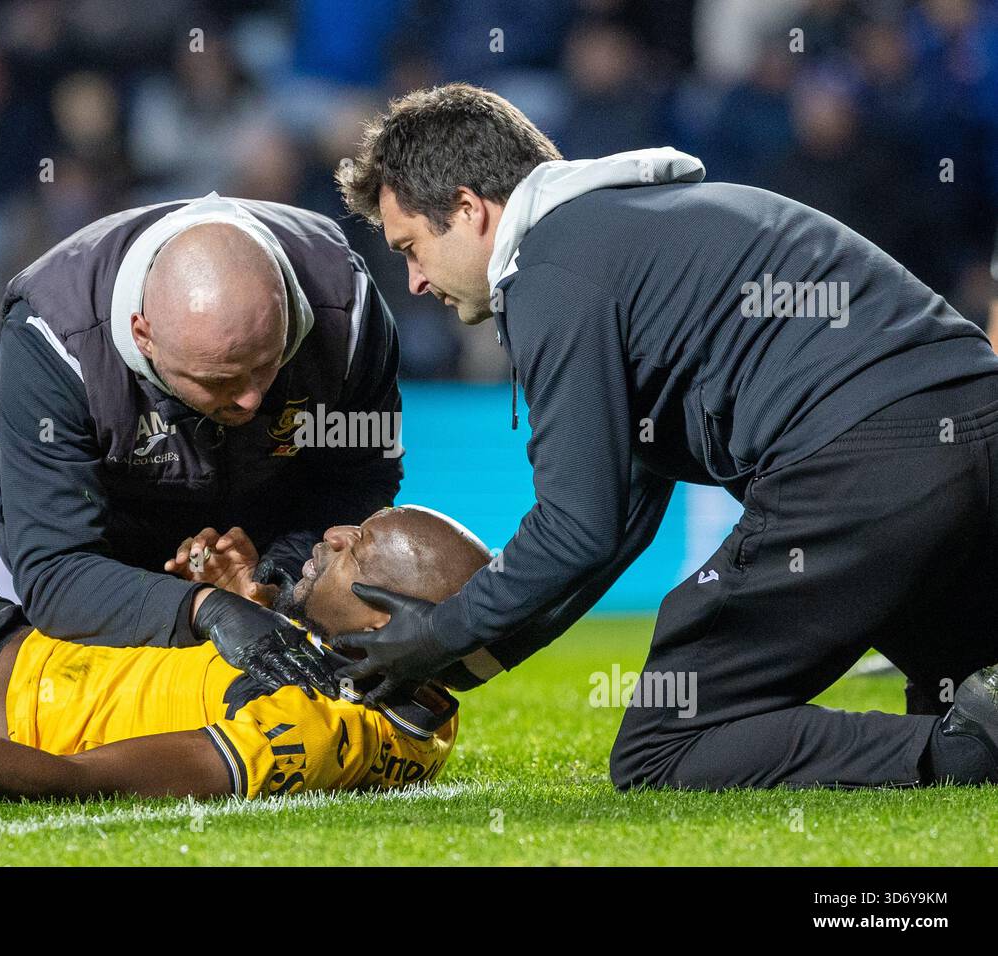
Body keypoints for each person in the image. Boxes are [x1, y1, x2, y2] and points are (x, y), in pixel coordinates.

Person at [332, 82, 998, 790]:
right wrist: (475, 653)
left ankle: (976, 751)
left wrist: (436, 636)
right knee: (957, 697)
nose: (413, 281)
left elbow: (575, 527)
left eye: (411, 247)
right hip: (966, 432)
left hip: (864, 460)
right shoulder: (621, 228)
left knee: (663, 746)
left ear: (468, 209)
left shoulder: (548, 272)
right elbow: (618, 523)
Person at [0, 388, 476, 799]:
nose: (335, 535)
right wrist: (254, 601)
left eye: (359, 548)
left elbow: (77, 783)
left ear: (389, 618)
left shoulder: (312, 735)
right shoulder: (392, 682)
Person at [0, 192, 402, 694]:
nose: (250, 400)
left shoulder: (347, 304)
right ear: (145, 337)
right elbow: (54, 572)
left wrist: (280, 576)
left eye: (269, 362)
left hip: (277, 520)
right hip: (118, 548)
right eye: (218, 379)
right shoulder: (52, 343)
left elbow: (363, 478)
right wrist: (201, 608)